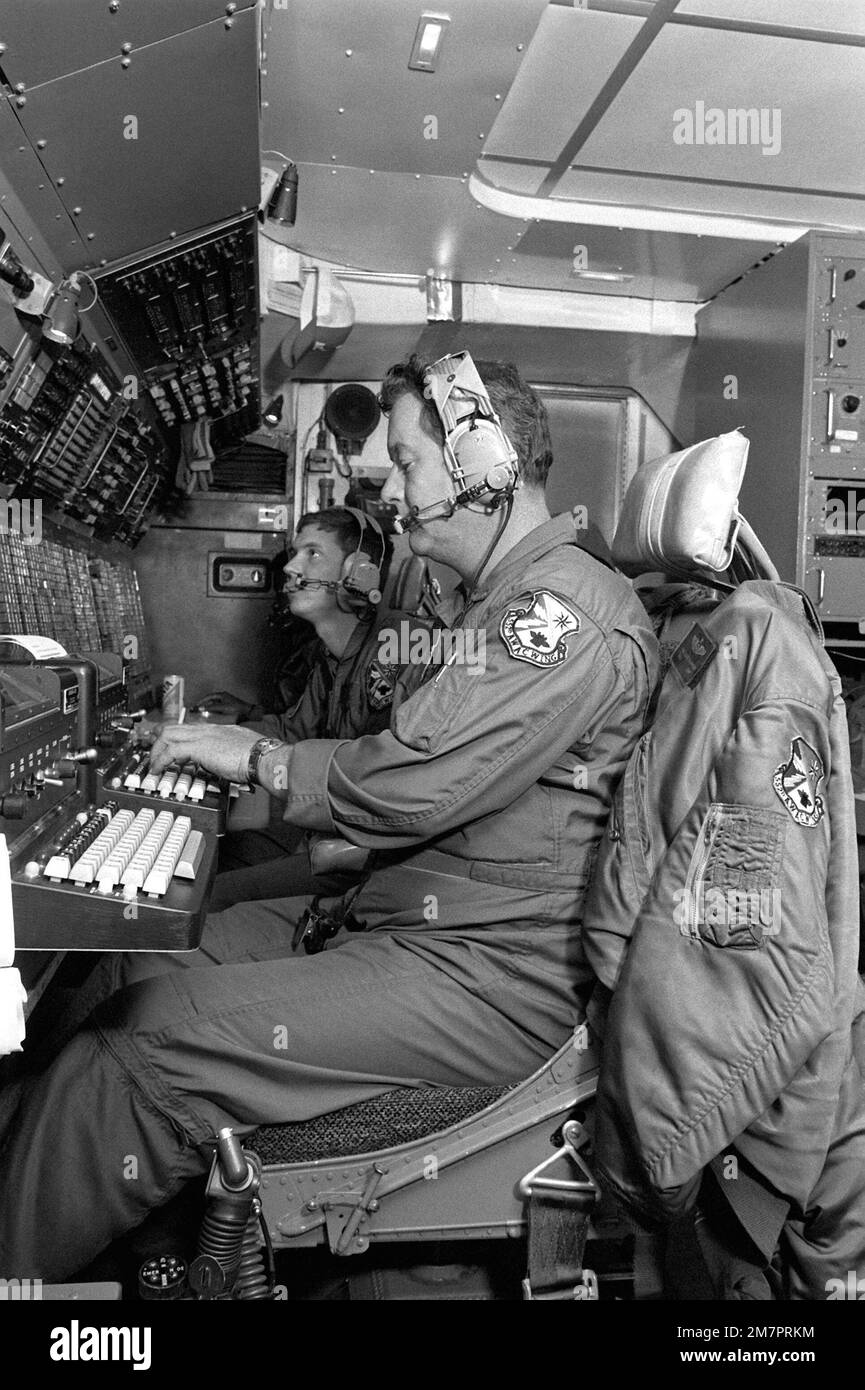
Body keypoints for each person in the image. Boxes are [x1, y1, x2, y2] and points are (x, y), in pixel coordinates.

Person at [0, 352, 658, 1281]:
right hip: (408, 922)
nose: (394, 485)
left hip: (491, 976)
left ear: (483, 464)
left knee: (134, 1055)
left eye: (410, 459)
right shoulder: (501, 602)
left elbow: (413, 780)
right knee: (128, 962)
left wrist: (262, 758)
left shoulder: (559, 615)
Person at [199, 505, 423, 908]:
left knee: (211, 896)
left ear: (359, 573)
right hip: (335, 835)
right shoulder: (329, 654)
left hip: (376, 859)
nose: (291, 567)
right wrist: (203, 739)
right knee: (219, 856)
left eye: (313, 554)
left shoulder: (404, 642)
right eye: (294, 552)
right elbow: (291, 732)